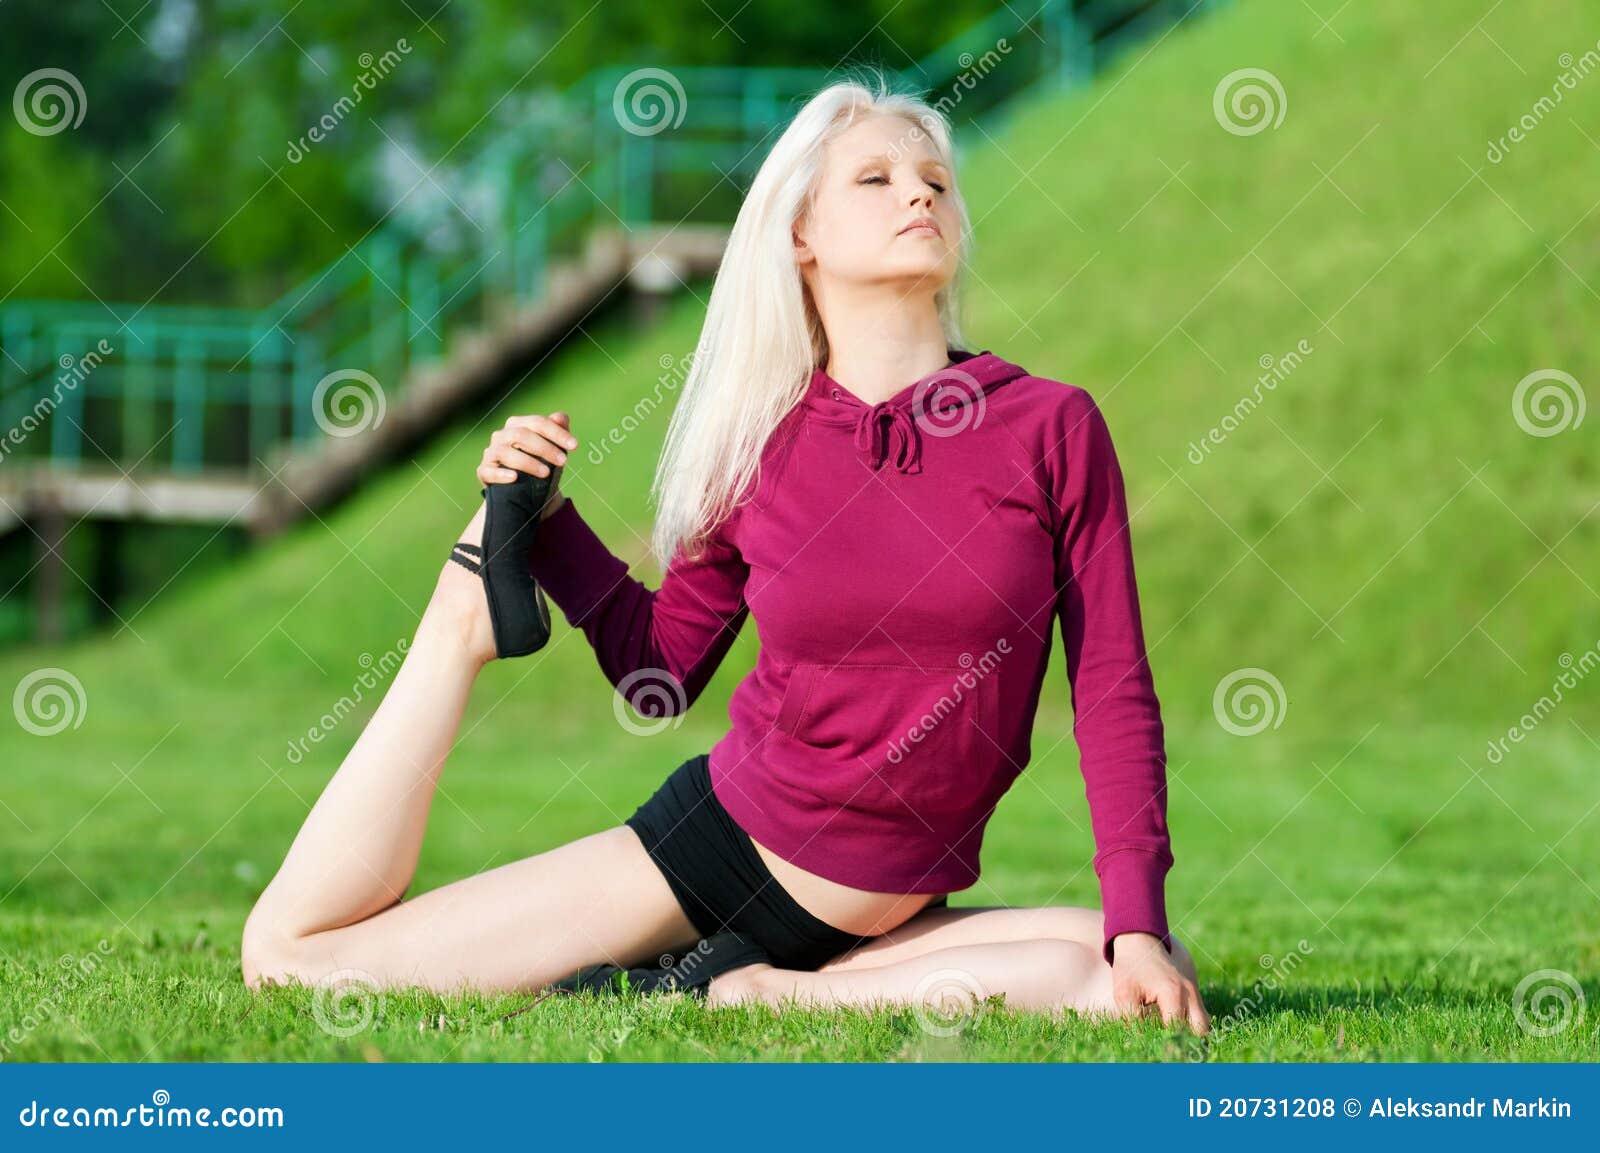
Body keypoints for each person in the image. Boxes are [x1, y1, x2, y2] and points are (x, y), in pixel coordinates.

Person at [241, 69, 1209, 1035]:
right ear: (799, 234)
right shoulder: (759, 440)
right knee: (290, 963)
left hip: (881, 905)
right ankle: (458, 625)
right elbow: (657, 670)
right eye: (873, 179)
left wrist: (1134, 922)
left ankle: (769, 985)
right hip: (726, 850)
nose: (919, 192)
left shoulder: (1049, 426)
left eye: (935, 180)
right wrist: (546, 524)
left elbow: (1111, 681)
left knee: (1136, 962)